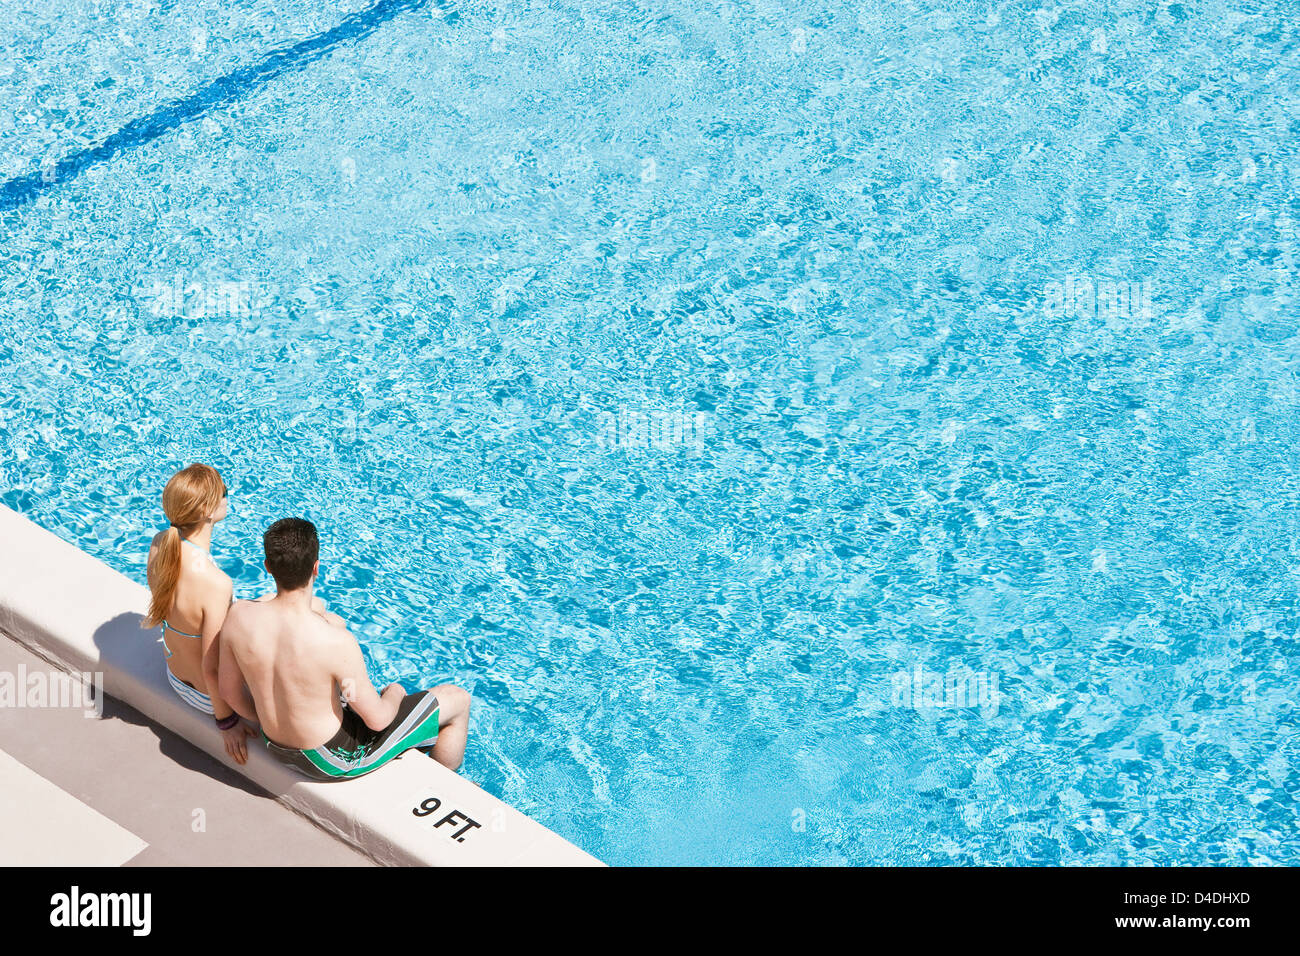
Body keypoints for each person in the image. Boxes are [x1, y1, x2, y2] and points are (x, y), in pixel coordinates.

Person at [218, 518, 471, 779]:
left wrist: (265, 717)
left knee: (327, 622)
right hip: (330, 759)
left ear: (268, 567)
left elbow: (228, 690)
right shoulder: (336, 642)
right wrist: (395, 692)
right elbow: (377, 720)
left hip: (274, 745)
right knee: (458, 700)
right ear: (316, 568)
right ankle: (449, 785)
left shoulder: (238, 617)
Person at [142, 463, 257, 764]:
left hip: (175, 678)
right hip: (209, 698)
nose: (227, 496)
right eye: (224, 491)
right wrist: (227, 722)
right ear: (206, 510)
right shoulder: (216, 583)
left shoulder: (160, 544)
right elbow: (211, 667)